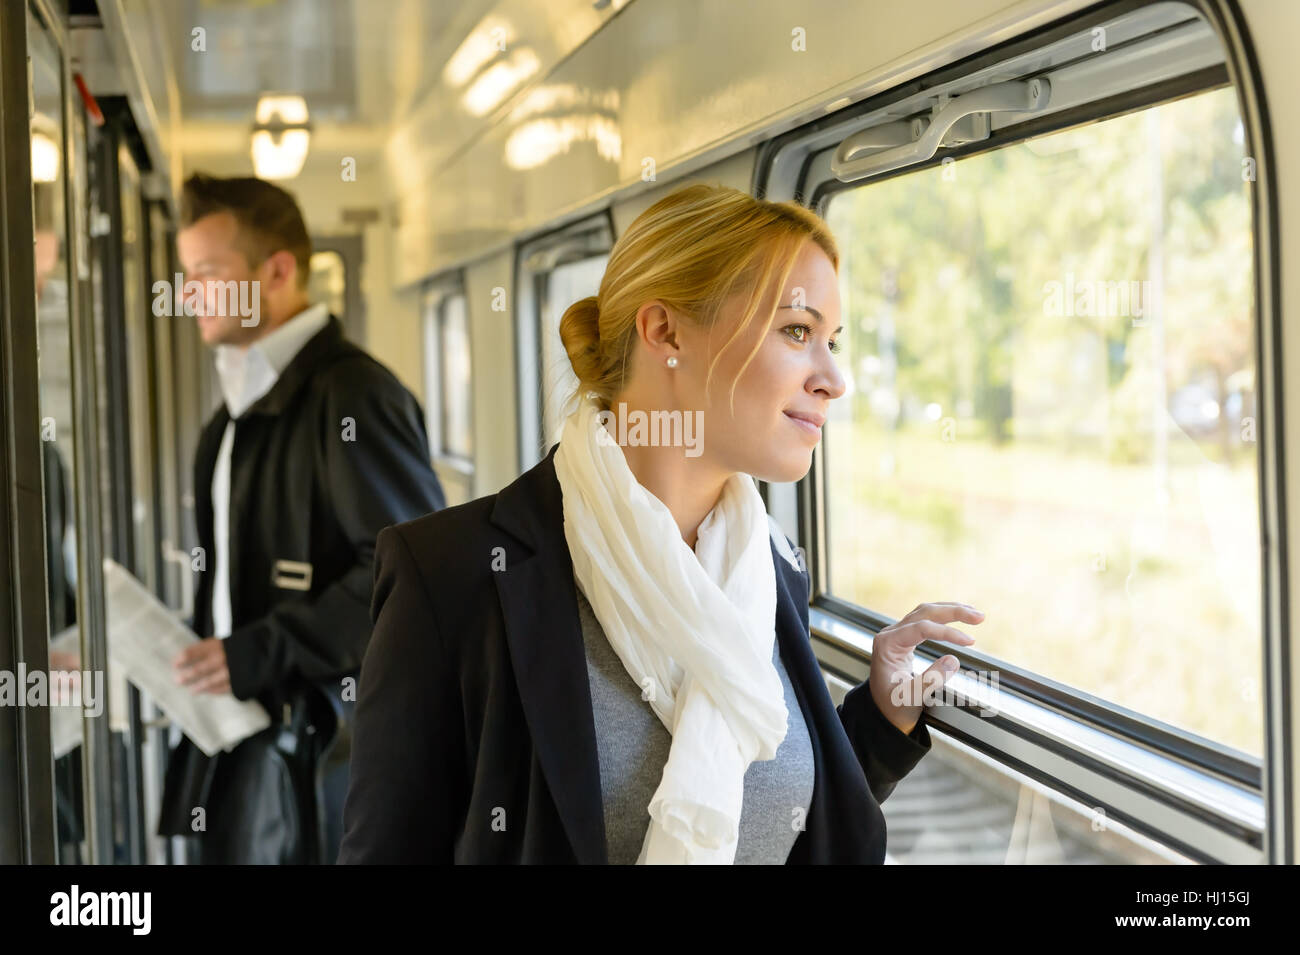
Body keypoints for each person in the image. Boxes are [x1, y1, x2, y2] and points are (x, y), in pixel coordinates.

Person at [337, 183, 981, 864]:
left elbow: (769, 809)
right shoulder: (448, 575)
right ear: (665, 332)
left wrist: (881, 717)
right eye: (797, 330)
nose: (833, 377)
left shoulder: (769, 567)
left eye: (832, 340)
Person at [160, 173, 446, 864]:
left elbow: (411, 579)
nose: (187, 293)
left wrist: (253, 653)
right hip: (239, 743)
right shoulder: (228, 420)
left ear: (278, 269)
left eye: (206, 273)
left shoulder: (354, 395)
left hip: (322, 763)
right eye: (184, 274)